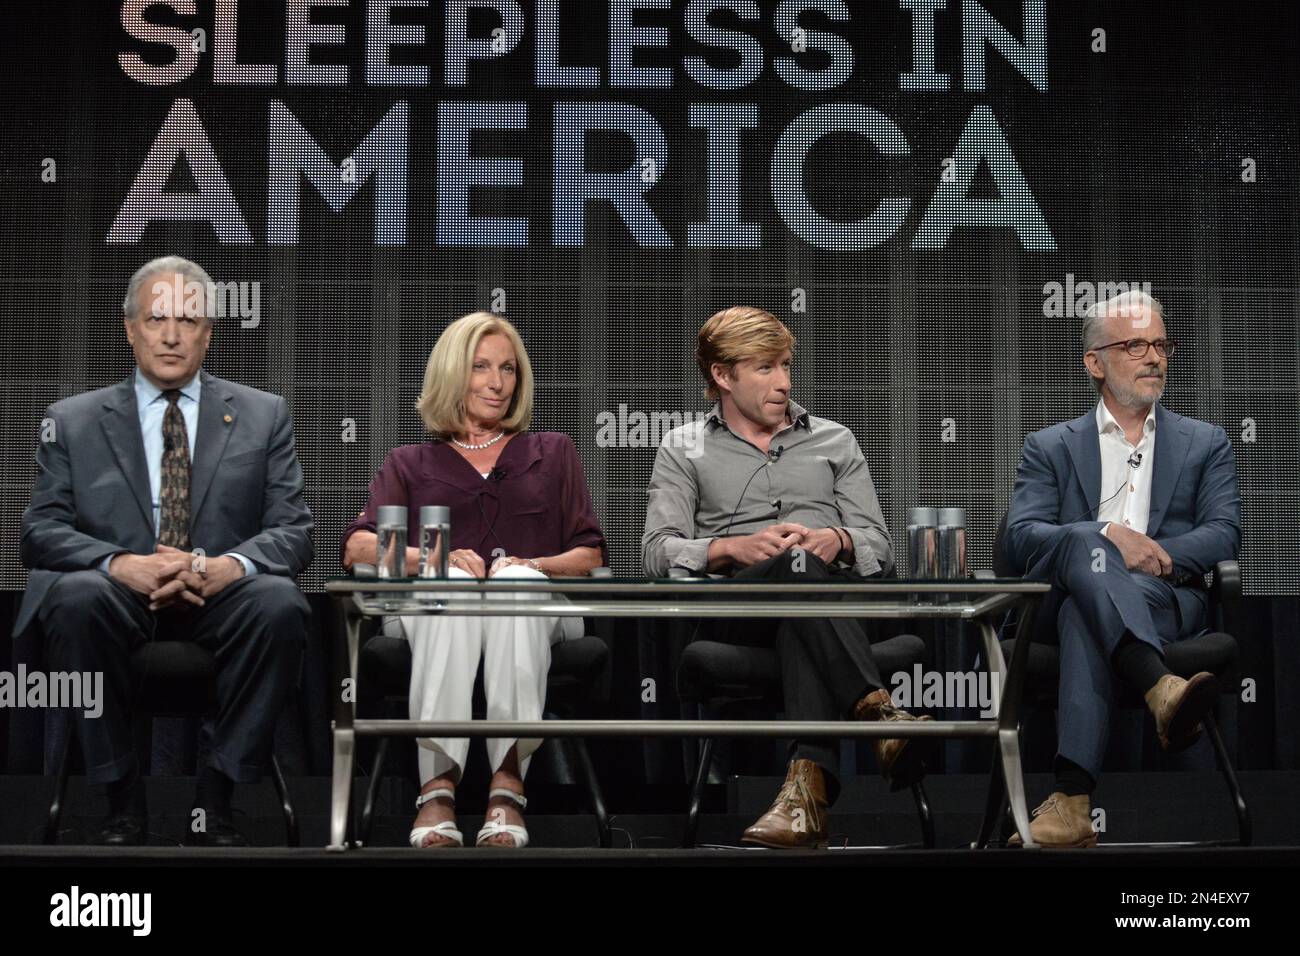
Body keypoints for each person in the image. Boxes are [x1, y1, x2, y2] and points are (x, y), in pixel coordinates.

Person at [17, 255, 314, 847]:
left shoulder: (263, 414)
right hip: (117, 599)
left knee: (281, 604)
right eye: (156, 320)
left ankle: (216, 795)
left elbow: (294, 531)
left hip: (218, 597)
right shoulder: (71, 421)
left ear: (209, 331)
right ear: (130, 329)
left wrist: (226, 567)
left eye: (188, 320)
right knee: (74, 597)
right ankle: (122, 795)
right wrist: (122, 565)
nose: (172, 335)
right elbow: (39, 532)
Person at [642, 306, 936, 849]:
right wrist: (733, 547)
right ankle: (877, 712)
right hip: (739, 614)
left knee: (803, 577)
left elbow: (880, 545)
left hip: (826, 610)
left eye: (784, 366)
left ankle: (805, 795)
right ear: (722, 375)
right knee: (790, 566)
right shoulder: (682, 449)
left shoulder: (835, 441)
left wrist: (839, 540)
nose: (782, 383)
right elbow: (658, 554)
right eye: (764, 369)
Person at [341, 312, 605, 848]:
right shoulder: (411, 462)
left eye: (508, 369)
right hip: (436, 605)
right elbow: (358, 548)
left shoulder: (552, 453)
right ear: (451, 374)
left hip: (534, 604)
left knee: (514, 586)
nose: (497, 382)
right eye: (481, 367)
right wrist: (435, 557)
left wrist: (533, 565)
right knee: (451, 587)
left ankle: (507, 789)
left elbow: (588, 552)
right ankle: (437, 790)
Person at [1004, 290, 1240, 847]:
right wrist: (1108, 538)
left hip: (1163, 595)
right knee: (1087, 549)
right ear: (1095, 363)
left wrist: (1153, 557)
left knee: (1087, 611)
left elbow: (1223, 532)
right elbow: (1021, 537)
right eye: (1136, 345)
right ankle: (1160, 687)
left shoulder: (1205, 442)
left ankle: (1071, 801)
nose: (1154, 357)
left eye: (1161, 344)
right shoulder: (1050, 446)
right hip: (1062, 597)